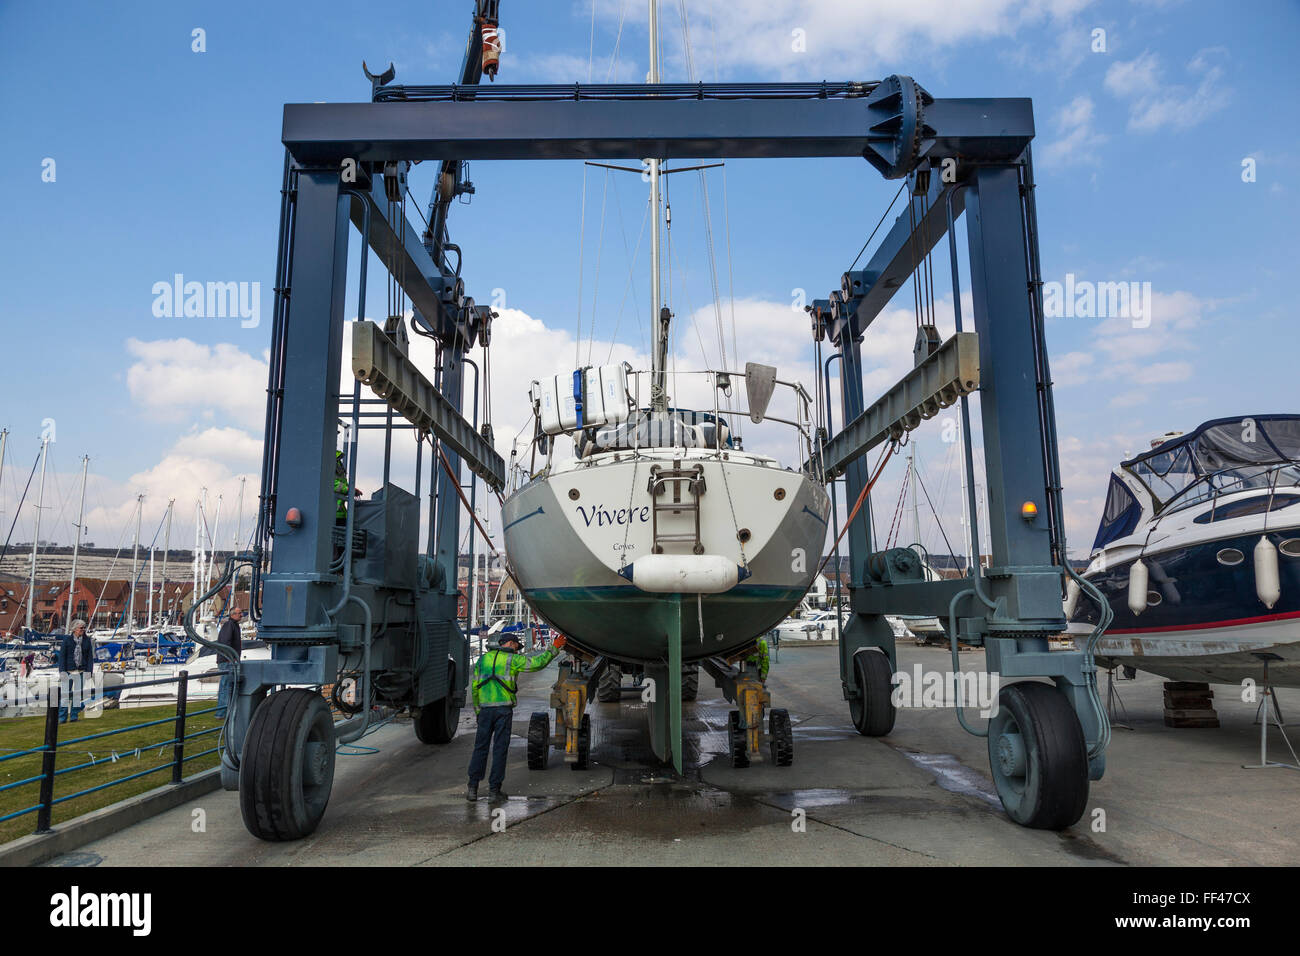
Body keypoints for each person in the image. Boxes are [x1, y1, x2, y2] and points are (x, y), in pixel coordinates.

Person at [466, 632, 566, 802]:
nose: (517, 650)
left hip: (484, 709)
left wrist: (477, 710)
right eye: (516, 646)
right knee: (499, 749)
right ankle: (494, 791)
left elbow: (475, 686)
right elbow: (537, 663)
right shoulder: (512, 660)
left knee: (480, 748)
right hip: (503, 710)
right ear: (511, 644)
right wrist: (554, 647)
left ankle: (472, 789)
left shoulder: (483, 660)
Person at [56, 620, 95, 722]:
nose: (83, 630)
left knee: (77, 696)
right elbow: (62, 657)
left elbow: (90, 657)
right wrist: (62, 672)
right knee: (65, 696)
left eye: (84, 628)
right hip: (68, 671)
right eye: (81, 628)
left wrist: (89, 671)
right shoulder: (67, 640)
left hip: (81, 671)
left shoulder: (87, 641)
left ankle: (74, 716)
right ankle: (62, 717)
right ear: (74, 629)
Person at [215, 604, 244, 719]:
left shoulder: (233, 625)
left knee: (229, 686)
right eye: (239, 613)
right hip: (228, 661)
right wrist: (231, 657)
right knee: (226, 686)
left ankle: (227, 711)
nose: (241, 615)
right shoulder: (229, 625)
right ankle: (221, 713)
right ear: (233, 615)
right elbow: (226, 642)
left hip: (229, 659)